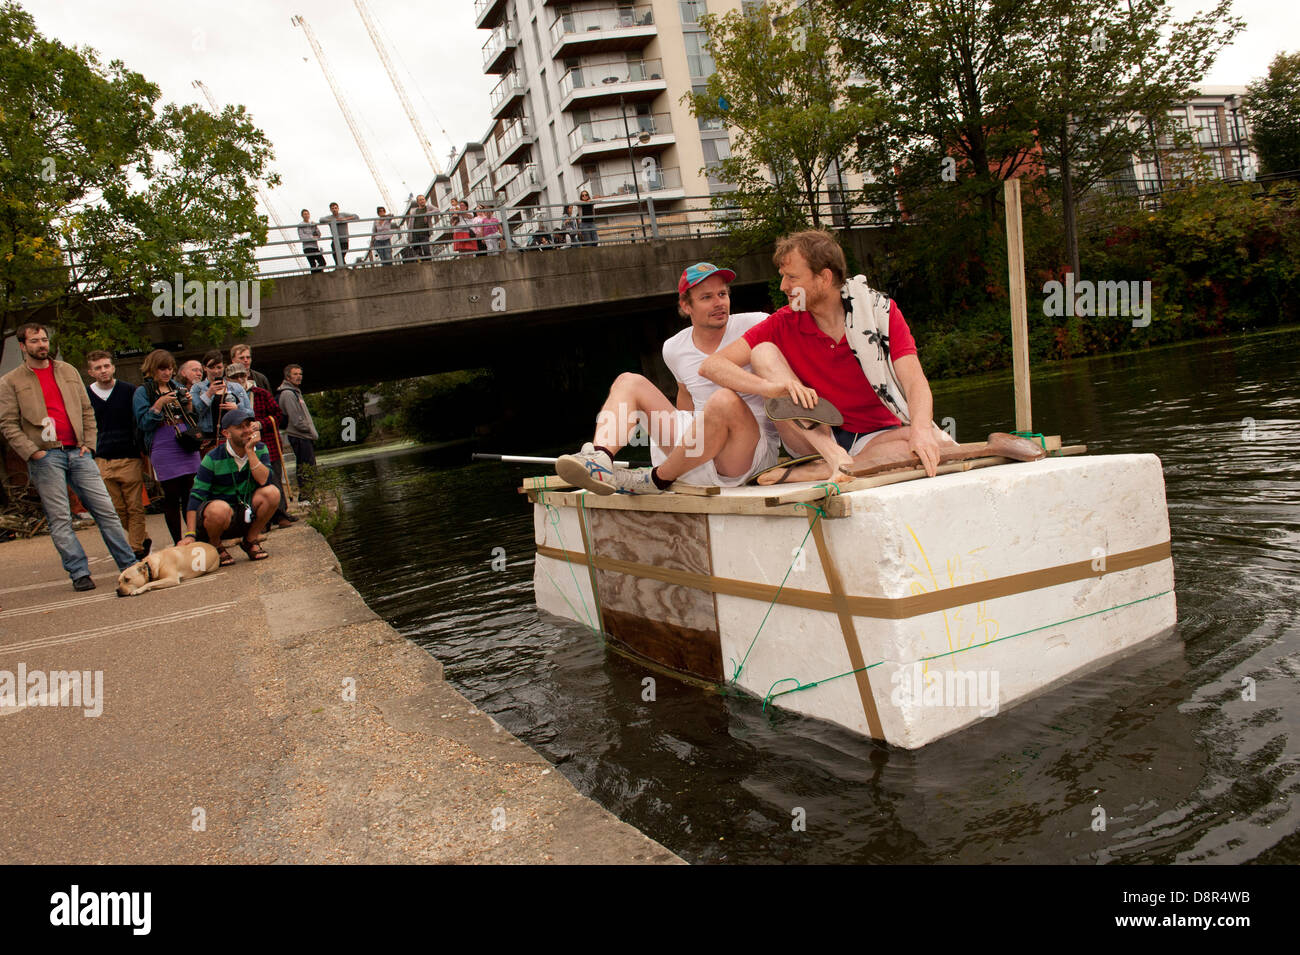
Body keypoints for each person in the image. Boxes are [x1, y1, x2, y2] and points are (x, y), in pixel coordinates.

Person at [700, 229, 956, 486]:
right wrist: (771, 388)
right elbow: (712, 366)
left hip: (876, 436)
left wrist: (922, 431)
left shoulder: (880, 314)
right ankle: (832, 456)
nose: (783, 287)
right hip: (811, 436)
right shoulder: (783, 321)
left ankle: (829, 468)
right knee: (762, 352)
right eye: (783, 277)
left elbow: (914, 382)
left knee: (938, 442)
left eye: (792, 277)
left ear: (823, 278)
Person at [556, 263, 778, 495]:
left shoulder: (757, 324)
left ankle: (660, 478)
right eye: (706, 297)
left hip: (745, 455)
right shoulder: (673, 348)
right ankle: (599, 458)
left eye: (722, 294)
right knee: (628, 381)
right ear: (686, 305)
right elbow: (686, 399)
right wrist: (681, 438)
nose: (718, 303)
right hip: (696, 454)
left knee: (724, 399)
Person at [0, 324, 136, 590]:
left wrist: (89, 443)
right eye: (35, 341)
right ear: (22, 345)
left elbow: (87, 410)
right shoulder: (10, 381)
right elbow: (8, 424)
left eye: (44, 339)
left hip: (79, 451)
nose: (42, 345)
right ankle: (79, 572)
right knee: (60, 518)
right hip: (45, 456)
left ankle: (129, 563)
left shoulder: (68, 371)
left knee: (106, 511)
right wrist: (32, 452)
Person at [178, 408, 280, 564]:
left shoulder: (259, 448)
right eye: (240, 427)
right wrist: (190, 534)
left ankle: (250, 539)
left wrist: (250, 452)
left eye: (248, 425)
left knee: (272, 493)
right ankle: (216, 545)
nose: (247, 430)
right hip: (220, 518)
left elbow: (263, 480)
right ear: (226, 433)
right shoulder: (212, 458)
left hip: (245, 512)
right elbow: (196, 496)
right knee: (220, 509)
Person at [133, 349, 203, 546]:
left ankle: (193, 536)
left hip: (185, 441)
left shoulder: (178, 386)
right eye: (162, 368)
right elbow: (143, 423)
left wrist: (188, 405)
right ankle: (178, 541)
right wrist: (159, 404)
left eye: (169, 368)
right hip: (162, 444)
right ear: (152, 369)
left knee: (192, 492)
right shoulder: (143, 392)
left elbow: (193, 418)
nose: (166, 373)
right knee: (171, 495)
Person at [85, 350, 150, 560]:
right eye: (98, 368)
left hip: (129, 456)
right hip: (101, 458)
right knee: (116, 509)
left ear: (113, 367)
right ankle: (142, 537)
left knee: (134, 506)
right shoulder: (85, 395)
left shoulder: (129, 391)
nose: (103, 371)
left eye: (106, 366)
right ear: (91, 372)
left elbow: (138, 422)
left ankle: (137, 550)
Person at [226, 362, 295, 528]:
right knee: (250, 481)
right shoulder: (225, 398)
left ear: (247, 376)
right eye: (235, 377)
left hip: (268, 443)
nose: (239, 380)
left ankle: (280, 514)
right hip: (242, 446)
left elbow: (278, 415)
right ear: (228, 379)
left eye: (242, 376)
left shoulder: (261, 393)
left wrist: (261, 424)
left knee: (274, 478)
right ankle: (260, 520)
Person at [190, 349, 251, 452]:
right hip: (210, 440)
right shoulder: (197, 388)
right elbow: (196, 413)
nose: (216, 371)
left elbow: (250, 413)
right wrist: (209, 394)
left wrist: (237, 408)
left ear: (224, 367)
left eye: (219, 367)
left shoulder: (236, 387)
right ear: (204, 368)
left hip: (234, 437)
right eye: (211, 367)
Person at [277, 364, 318, 495]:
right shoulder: (288, 394)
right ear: (288, 377)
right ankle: (306, 496)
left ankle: (308, 495)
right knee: (305, 466)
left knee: (308, 466)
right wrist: (310, 431)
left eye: (300, 374)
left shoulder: (295, 392)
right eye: (295, 374)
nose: (299, 377)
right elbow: (296, 419)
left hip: (303, 435)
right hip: (299, 435)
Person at [320, 202, 360, 268]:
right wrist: (335, 220)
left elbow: (356, 216)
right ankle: (342, 268)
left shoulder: (343, 214)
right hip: (335, 241)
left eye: (335, 208)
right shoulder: (330, 217)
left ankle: (343, 267)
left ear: (338, 208)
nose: (334, 209)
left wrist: (345, 219)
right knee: (336, 256)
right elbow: (321, 220)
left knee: (341, 255)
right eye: (332, 208)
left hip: (344, 240)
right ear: (330, 210)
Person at [401, 194, 434, 261]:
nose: (422, 201)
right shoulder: (414, 211)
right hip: (415, 234)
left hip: (425, 233)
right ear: (418, 202)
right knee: (417, 251)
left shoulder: (428, 207)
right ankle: (421, 263)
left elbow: (437, 210)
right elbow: (410, 224)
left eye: (423, 199)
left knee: (426, 250)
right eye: (420, 200)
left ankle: (428, 263)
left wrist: (427, 213)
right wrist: (409, 236)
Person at [298, 209, 326, 274]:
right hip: (307, 248)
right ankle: (316, 276)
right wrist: (312, 237)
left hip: (315, 247)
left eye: (307, 214)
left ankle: (317, 274)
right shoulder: (300, 225)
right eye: (305, 214)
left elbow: (319, 235)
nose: (306, 215)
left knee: (322, 263)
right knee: (313, 265)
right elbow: (302, 237)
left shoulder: (312, 224)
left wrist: (315, 226)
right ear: (302, 216)